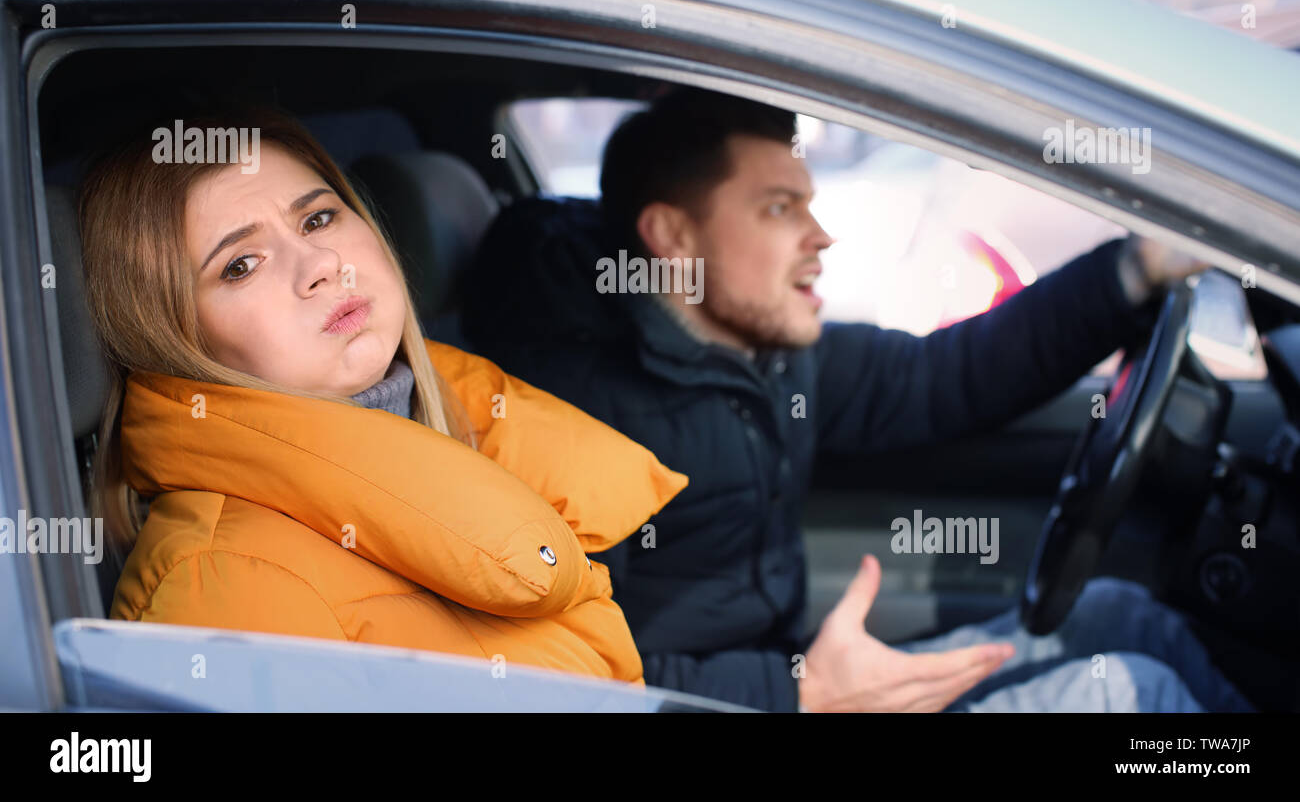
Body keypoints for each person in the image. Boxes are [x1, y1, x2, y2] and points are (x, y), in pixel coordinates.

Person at [461, 86, 1255, 712]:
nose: (822, 234)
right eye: (779, 207)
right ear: (672, 237)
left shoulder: (767, 357)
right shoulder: (567, 421)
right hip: (750, 703)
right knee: (1132, 697)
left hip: (801, 682)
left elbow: (952, 376)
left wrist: (1133, 270)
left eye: (809, 202)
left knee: (1120, 616)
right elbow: (567, 674)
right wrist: (801, 694)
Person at [77, 105, 687, 686]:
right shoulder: (222, 584)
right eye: (240, 264)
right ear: (172, 336)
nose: (319, 261)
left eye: (318, 218)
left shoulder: (476, 432)